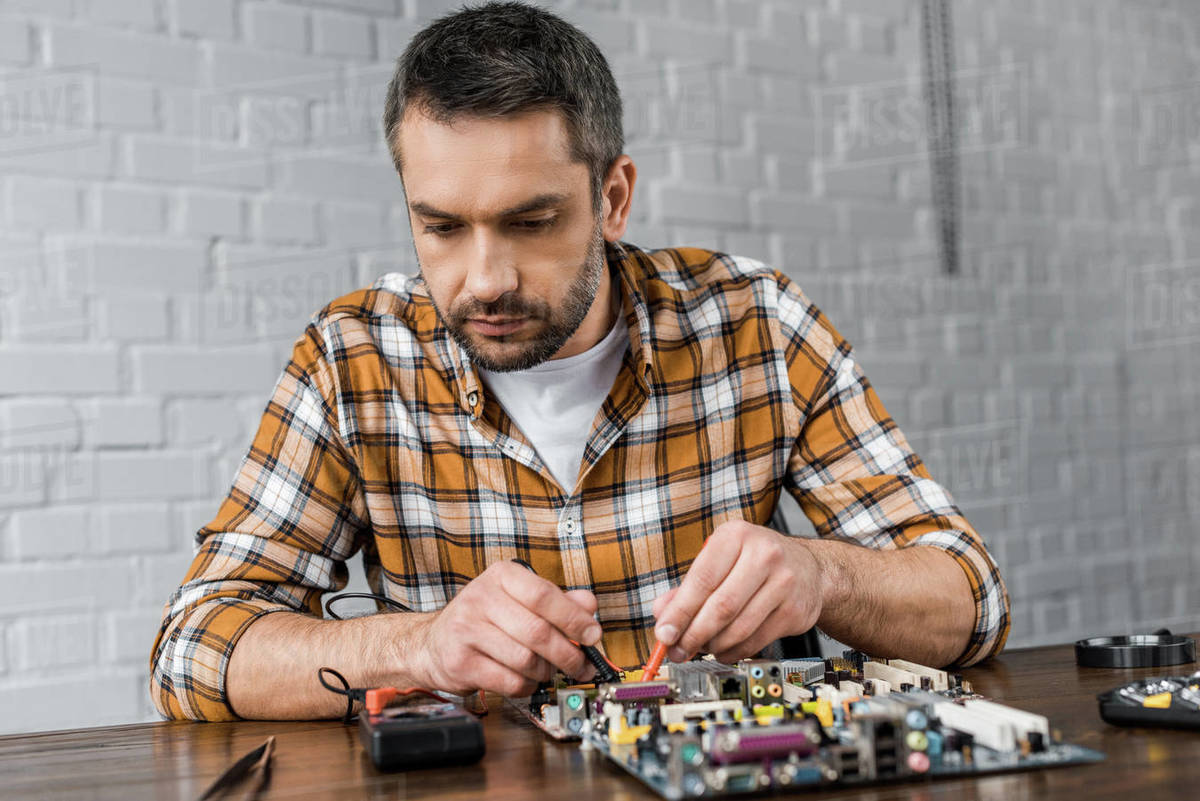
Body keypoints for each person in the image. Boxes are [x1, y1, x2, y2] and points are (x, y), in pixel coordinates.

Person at [149, 1, 1009, 722]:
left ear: (613, 197)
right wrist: (421, 642)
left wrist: (824, 575)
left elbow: (973, 601)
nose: (485, 278)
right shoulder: (353, 359)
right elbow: (191, 647)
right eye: (441, 226)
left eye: (531, 222)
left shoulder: (755, 324)